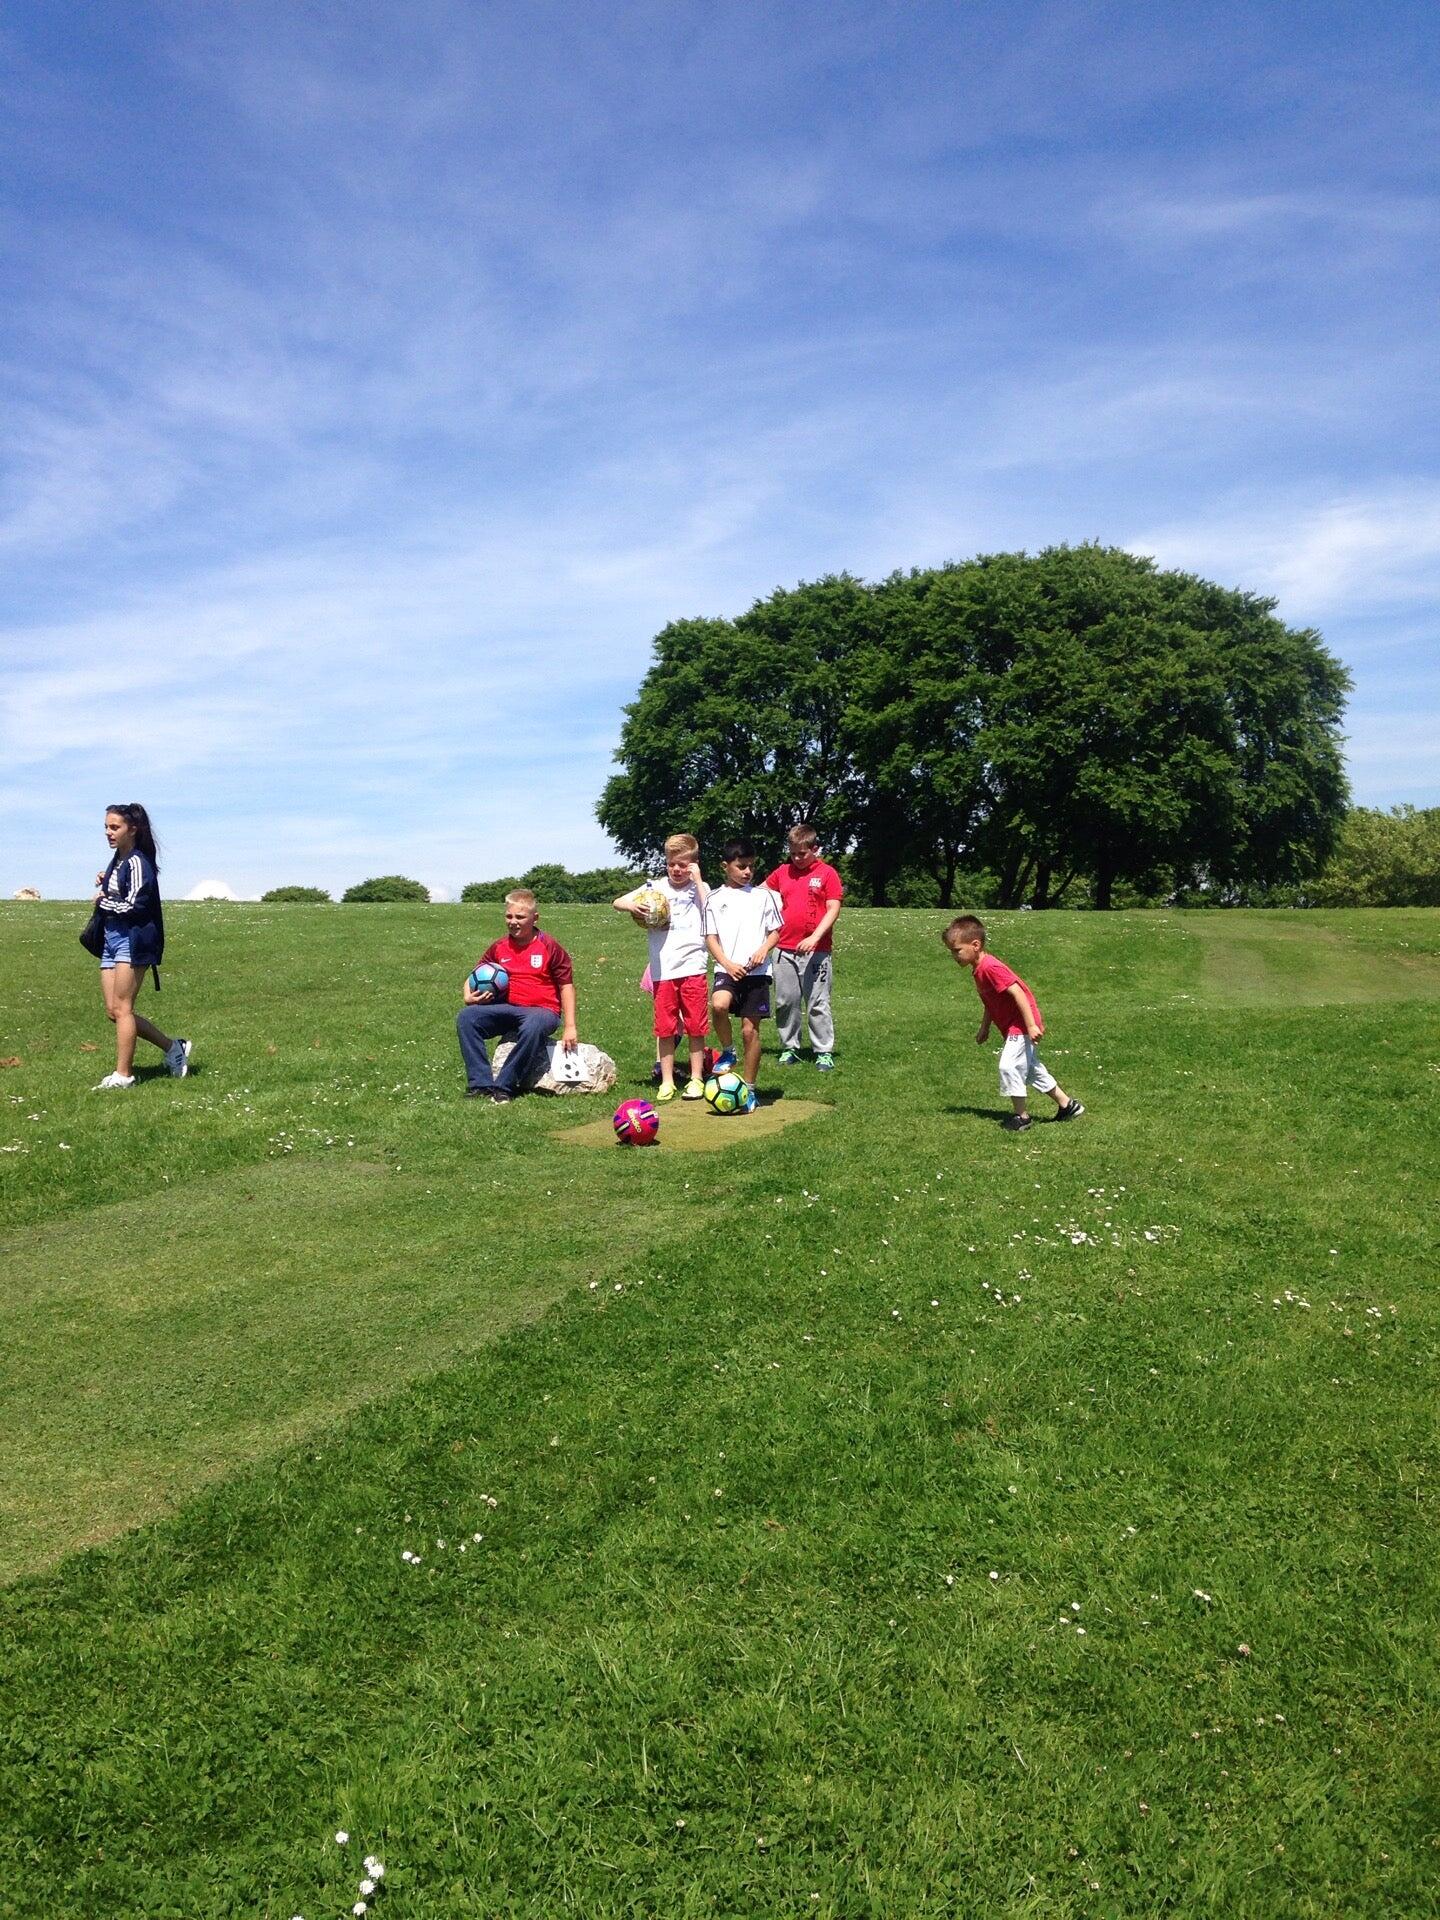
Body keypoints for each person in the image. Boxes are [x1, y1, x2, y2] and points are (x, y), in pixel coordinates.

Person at [942, 914, 1084, 1132]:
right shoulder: (978, 971)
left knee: (1008, 1066)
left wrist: (1031, 1026)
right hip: (1013, 1026)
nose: (954, 956)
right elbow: (991, 1001)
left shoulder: (990, 967)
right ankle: (1068, 1106)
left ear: (975, 945)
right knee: (1031, 1070)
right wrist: (985, 1027)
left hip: (1021, 1025)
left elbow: (1019, 993)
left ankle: (1022, 1117)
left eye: (957, 950)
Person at [92, 803, 191, 1090]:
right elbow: (124, 894)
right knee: (114, 1011)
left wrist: (102, 901)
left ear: (132, 830)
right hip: (112, 940)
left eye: (115, 827)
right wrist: (106, 880)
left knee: (123, 1008)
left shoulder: (137, 861)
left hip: (132, 940)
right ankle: (174, 1048)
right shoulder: (119, 861)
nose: (109, 833)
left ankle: (124, 1076)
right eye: (107, 827)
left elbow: (136, 906)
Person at [613, 835, 710, 1101]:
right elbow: (617, 902)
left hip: (693, 966)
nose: (677, 870)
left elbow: (710, 907)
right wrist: (633, 905)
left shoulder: (699, 888)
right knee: (665, 1029)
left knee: (695, 1027)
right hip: (663, 970)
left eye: (683, 864)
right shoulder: (654, 888)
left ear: (693, 864)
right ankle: (667, 1081)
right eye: (671, 864)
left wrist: (698, 879)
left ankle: (696, 1079)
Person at [457, 889, 578, 1102]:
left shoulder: (549, 946)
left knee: (532, 1026)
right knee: (467, 1018)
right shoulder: (499, 947)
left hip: (542, 1011)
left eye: (520, 917)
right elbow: (475, 973)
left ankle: (505, 1086)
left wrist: (570, 1026)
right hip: (507, 1007)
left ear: (535, 918)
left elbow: (566, 986)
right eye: (509, 916)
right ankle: (480, 1084)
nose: (513, 922)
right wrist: (468, 996)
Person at [704, 840, 782, 1111]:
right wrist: (725, 962)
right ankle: (728, 1050)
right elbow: (710, 938)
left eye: (751, 866)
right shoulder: (714, 899)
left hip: (757, 973)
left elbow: (775, 931)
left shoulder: (764, 896)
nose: (747, 871)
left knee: (750, 1031)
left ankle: (749, 1089)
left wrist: (764, 949)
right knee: (719, 1005)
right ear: (725, 867)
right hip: (727, 969)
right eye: (741, 866)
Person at [765, 822, 843, 1071]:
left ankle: (823, 1051)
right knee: (786, 1001)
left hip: (816, 951)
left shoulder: (828, 873)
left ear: (815, 848)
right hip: (784, 948)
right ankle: (790, 1048)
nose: (797, 858)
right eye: (793, 853)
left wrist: (815, 937)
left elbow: (833, 908)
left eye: (803, 853)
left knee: (817, 1002)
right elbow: (761, 894)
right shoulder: (782, 872)